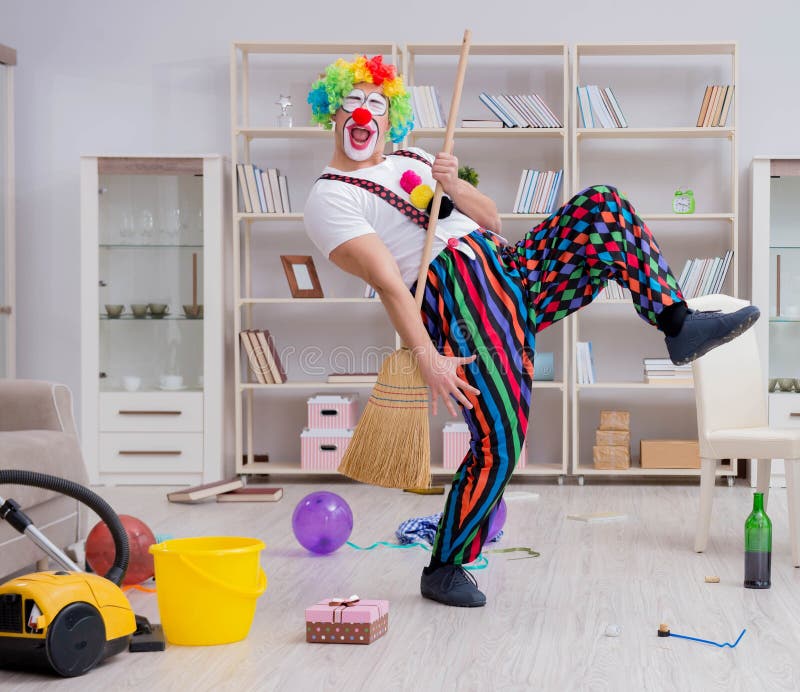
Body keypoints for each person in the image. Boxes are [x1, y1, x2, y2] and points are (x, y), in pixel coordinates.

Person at [303, 55, 760, 608]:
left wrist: (452, 184)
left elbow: (491, 218)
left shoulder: (416, 155)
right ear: (333, 110)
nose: (363, 112)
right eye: (352, 101)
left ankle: (678, 324)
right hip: (460, 295)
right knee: (502, 436)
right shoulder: (330, 196)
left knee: (603, 208)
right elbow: (388, 283)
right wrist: (427, 357)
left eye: (375, 102)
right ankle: (445, 565)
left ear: (388, 113)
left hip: (506, 265)